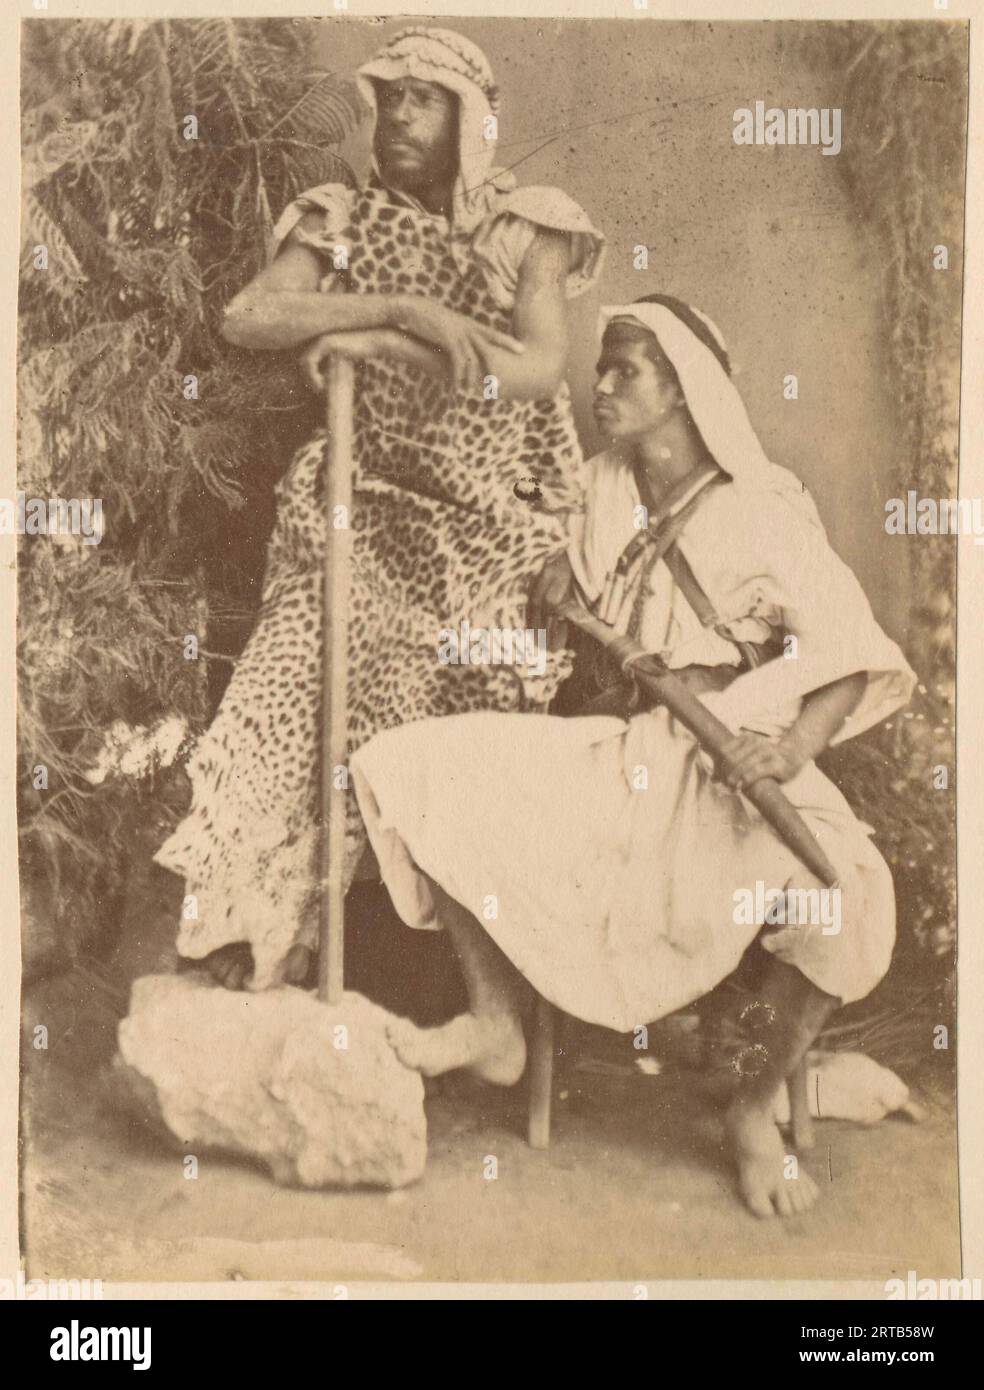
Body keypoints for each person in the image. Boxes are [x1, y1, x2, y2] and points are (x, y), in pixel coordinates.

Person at [349, 295, 917, 1218]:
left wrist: (788, 750)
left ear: (684, 390)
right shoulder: (602, 484)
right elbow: (545, 552)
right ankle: (495, 1022)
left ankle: (750, 1107)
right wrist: (550, 578)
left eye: (627, 371)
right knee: (412, 767)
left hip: (726, 759)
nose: (601, 385)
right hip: (622, 753)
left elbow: (848, 653)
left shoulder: (763, 506)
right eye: (601, 367)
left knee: (846, 894)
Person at [154, 27, 605, 990]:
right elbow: (250, 316)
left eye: (423, 99)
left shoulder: (527, 227)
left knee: (456, 721)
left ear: (470, 120)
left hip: (495, 520)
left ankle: (473, 990)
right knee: (295, 671)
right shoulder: (343, 218)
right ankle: (263, 929)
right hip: (364, 501)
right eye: (389, 96)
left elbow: (533, 369)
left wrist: (390, 346)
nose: (398, 116)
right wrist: (397, 308)